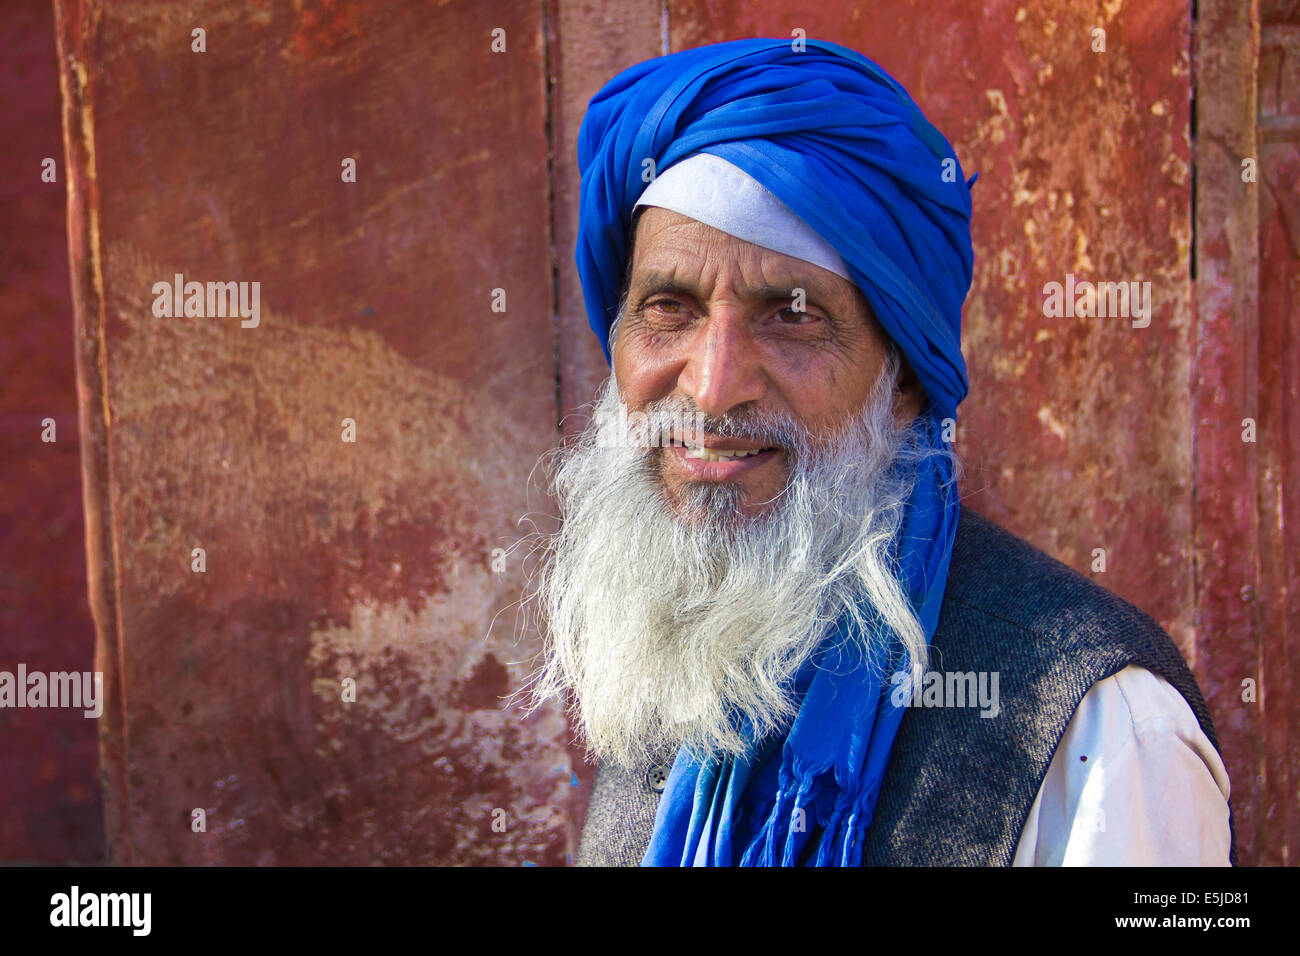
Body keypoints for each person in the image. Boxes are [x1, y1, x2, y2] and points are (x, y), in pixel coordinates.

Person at [526, 37, 1235, 866]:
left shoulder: (1103, 728)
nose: (714, 388)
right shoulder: (672, 644)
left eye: (791, 316)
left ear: (900, 379)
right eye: (669, 308)